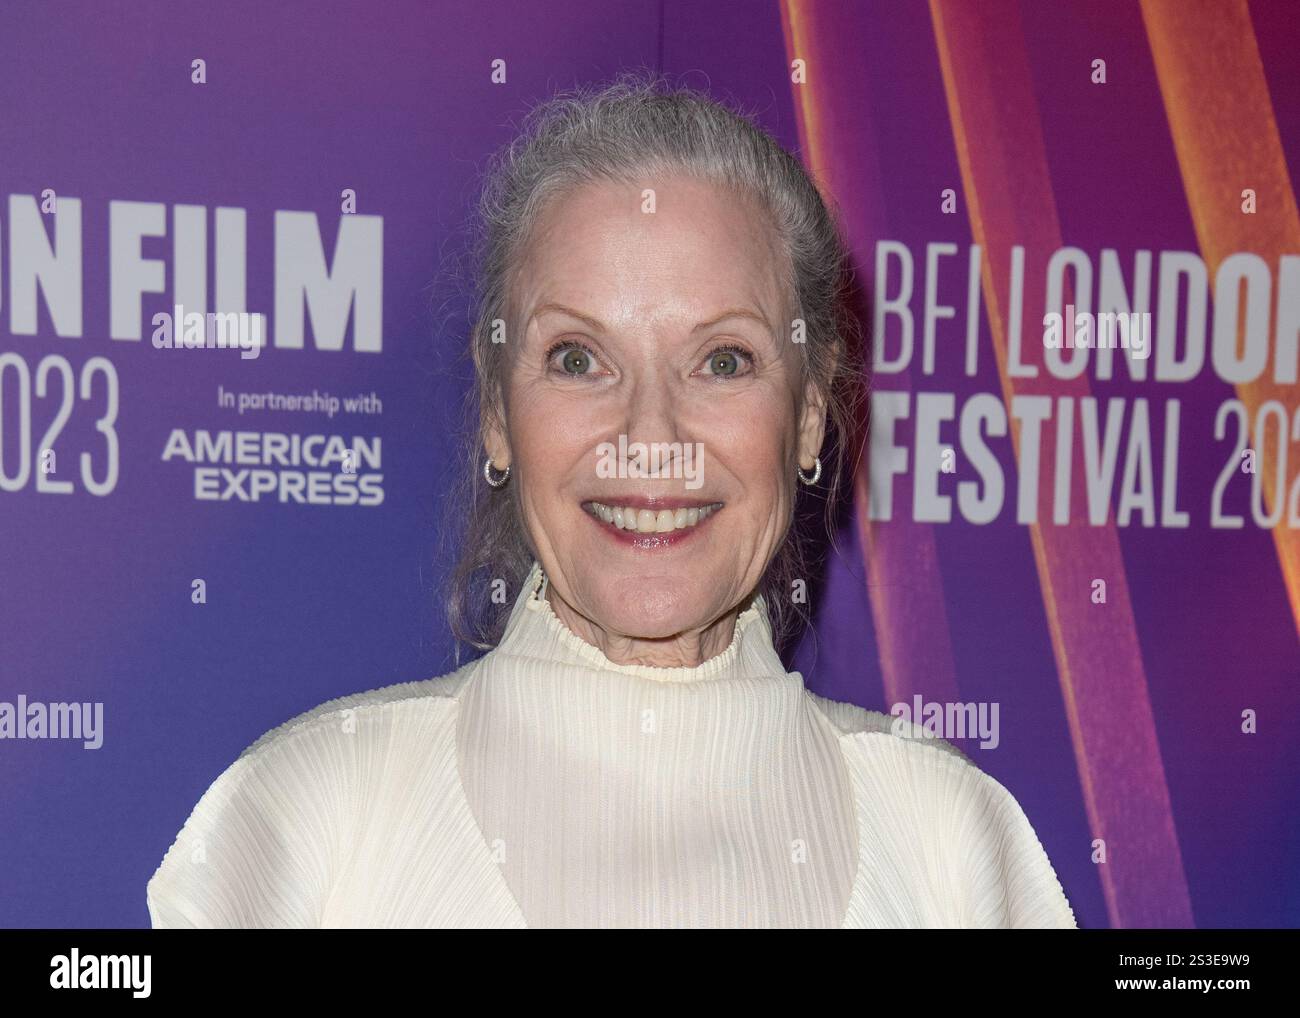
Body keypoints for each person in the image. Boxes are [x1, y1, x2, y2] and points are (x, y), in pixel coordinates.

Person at [147, 72, 1077, 929]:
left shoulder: (953, 844)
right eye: (579, 360)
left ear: (805, 416)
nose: (651, 438)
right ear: (499, 411)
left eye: (722, 361)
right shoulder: (303, 823)